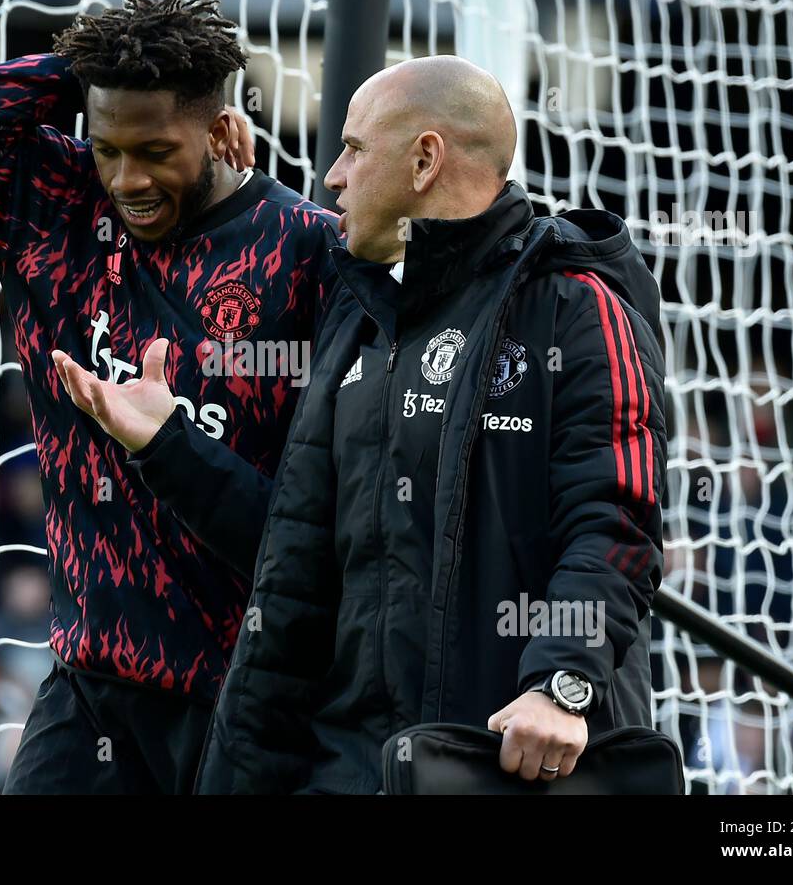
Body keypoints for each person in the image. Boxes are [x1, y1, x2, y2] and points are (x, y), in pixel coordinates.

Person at [60, 54, 666, 794]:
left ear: (424, 159)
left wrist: (563, 681)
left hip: (501, 760)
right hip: (346, 768)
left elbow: (613, 522)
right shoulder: (361, 322)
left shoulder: (570, 308)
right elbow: (292, 558)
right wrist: (169, 447)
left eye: (353, 148)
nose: (333, 176)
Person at [0, 0, 339, 794]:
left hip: (240, 693)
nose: (128, 178)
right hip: (88, 684)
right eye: (107, 147)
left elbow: (321, 514)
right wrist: (102, 65)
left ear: (219, 131)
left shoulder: (306, 249)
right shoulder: (59, 206)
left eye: (155, 148)